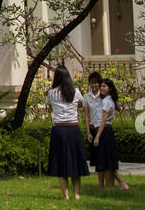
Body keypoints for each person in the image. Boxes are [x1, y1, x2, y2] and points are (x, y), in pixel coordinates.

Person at [43, 62, 87, 200]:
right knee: (76, 162)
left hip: (59, 130)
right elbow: (81, 105)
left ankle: (66, 195)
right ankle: (77, 193)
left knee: (61, 162)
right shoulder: (76, 92)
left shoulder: (51, 93)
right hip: (73, 128)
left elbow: (49, 108)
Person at [98, 79, 129, 191]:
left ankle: (122, 183)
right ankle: (118, 184)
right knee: (109, 160)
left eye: (104, 86)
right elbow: (119, 109)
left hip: (105, 131)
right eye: (101, 86)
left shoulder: (106, 101)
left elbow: (103, 120)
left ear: (109, 89)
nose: (101, 88)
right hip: (109, 131)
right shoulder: (111, 100)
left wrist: (97, 136)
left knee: (106, 160)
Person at [83, 71, 104, 174]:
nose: (94, 85)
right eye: (92, 83)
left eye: (96, 83)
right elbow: (87, 116)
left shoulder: (103, 96)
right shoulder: (86, 97)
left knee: (103, 157)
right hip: (92, 128)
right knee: (95, 158)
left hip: (102, 128)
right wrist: (88, 132)